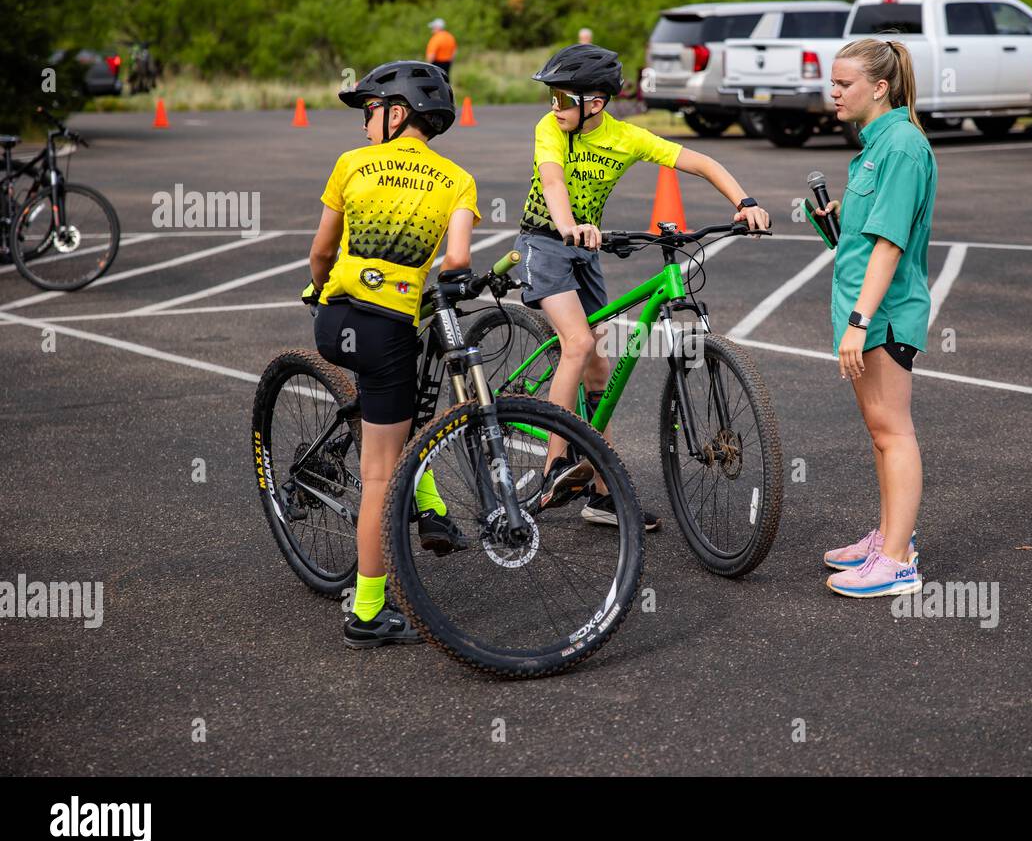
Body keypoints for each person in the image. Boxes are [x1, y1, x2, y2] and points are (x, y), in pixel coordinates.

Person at [517, 43, 771, 530]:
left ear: (596, 102)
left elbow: (700, 162)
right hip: (545, 243)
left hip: (586, 250)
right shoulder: (549, 129)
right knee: (576, 342)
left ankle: (601, 492)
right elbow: (551, 183)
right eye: (551, 96)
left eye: (563, 97)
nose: (554, 105)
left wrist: (746, 202)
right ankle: (554, 465)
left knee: (599, 365)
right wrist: (569, 224)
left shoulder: (625, 137)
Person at [305, 60, 481, 648]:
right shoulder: (456, 179)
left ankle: (426, 501)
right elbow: (455, 261)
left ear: (397, 112)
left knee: (389, 424)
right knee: (380, 470)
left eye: (369, 110)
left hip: (334, 323)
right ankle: (367, 611)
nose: (363, 124)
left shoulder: (351, 166)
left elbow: (320, 253)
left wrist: (318, 288)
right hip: (388, 332)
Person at [816, 38, 935, 599]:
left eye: (844, 84)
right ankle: (891, 536)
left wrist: (859, 321)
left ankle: (898, 562)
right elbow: (864, 240)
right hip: (866, 311)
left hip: (883, 315)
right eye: (832, 83)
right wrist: (836, 219)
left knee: (895, 432)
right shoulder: (873, 145)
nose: (833, 92)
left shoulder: (902, 147)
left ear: (879, 87)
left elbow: (889, 246)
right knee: (880, 433)